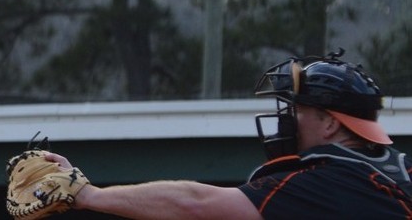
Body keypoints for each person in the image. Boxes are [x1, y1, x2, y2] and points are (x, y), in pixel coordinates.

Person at [39, 50, 412, 219]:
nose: (288, 119)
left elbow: (194, 204)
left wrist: (89, 195)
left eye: (298, 110)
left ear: (330, 123)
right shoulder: (400, 174)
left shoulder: (323, 184)